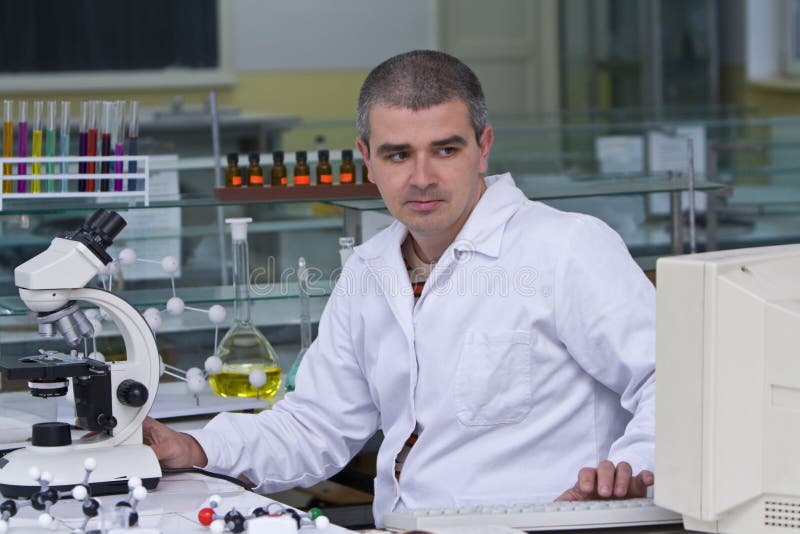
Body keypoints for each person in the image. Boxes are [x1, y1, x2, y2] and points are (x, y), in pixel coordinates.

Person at [143, 50, 656, 527]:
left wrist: (630, 468)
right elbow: (316, 425)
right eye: (397, 155)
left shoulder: (566, 248)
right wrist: (196, 448)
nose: (421, 178)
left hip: (537, 529)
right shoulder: (370, 270)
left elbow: (675, 383)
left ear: (484, 147)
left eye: (445, 149)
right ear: (366, 157)